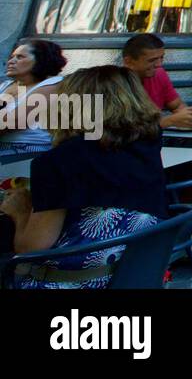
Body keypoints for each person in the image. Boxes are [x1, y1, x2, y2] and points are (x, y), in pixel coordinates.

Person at [1, 66, 168, 288]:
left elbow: (31, 248)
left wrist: (19, 212)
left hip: (70, 281)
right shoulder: (149, 143)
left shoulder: (59, 161)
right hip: (134, 272)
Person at [120, 33, 192, 130]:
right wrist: (169, 121)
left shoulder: (159, 74)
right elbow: (100, 131)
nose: (159, 64)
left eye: (161, 58)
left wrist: (189, 117)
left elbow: (177, 106)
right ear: (128, 62)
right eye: (152, 60)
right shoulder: (106, 84)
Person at [0, 39, 68, 154]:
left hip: (27, 151)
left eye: (20, 57)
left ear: (41, 60)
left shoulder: (52, 85)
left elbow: (10, 123)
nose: (11, 61)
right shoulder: (5, 85)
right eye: (12, 57)